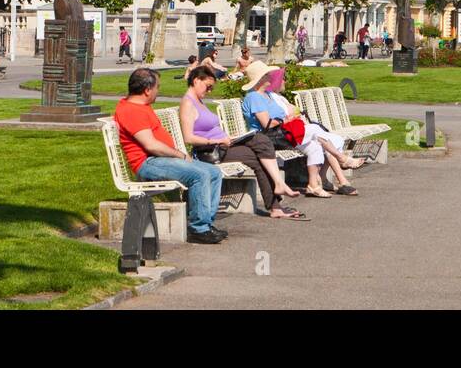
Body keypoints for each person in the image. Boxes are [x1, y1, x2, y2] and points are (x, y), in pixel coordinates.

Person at [114, 67, 225, 243]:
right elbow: (151, 145)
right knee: (200, 174)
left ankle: (207, 224)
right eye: (157, 86)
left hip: (160, 160)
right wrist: (180, 155)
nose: (159, 90)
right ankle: (199, 229)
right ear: (147, 90)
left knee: (214, 172)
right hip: (148, 163)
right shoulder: (132, 111)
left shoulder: (141, 106)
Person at [180, 65, 306, 220]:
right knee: (260, 143)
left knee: (259, 148)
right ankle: (277, 194)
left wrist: (230, 136)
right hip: (210, 151)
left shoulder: (199, 101)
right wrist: (217, 140)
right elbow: (188, 138)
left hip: (222, 144)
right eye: (208, 86)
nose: (210, 91)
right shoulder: (188, 104)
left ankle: (276, 204)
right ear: (196, 80)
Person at [241, 61, 363, 198]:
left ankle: (313, 186)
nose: (270, 76)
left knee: (314, 145)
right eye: (267, 74)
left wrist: (289, 117)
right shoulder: (254, 97)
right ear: (260, 79)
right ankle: (342, 158)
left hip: (281, 133)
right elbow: (267, 124)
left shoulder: (266, 95)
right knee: (314, 129)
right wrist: (286, 120)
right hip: (267, 137)